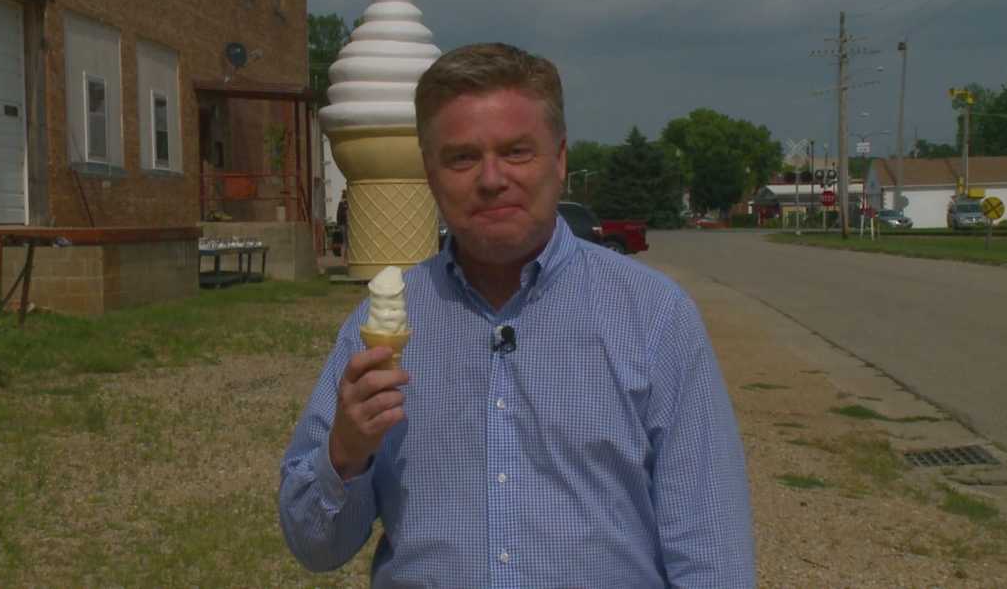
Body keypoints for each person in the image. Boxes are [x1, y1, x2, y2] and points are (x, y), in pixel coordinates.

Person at [280, 43, 754, 587]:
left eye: (516, 151)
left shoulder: (653, 319)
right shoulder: (380, 328)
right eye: (461, 157)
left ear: (561, 159)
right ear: (429, 172)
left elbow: (711, 551)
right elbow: (315, 548)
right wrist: (345, 454)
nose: (491, 178)